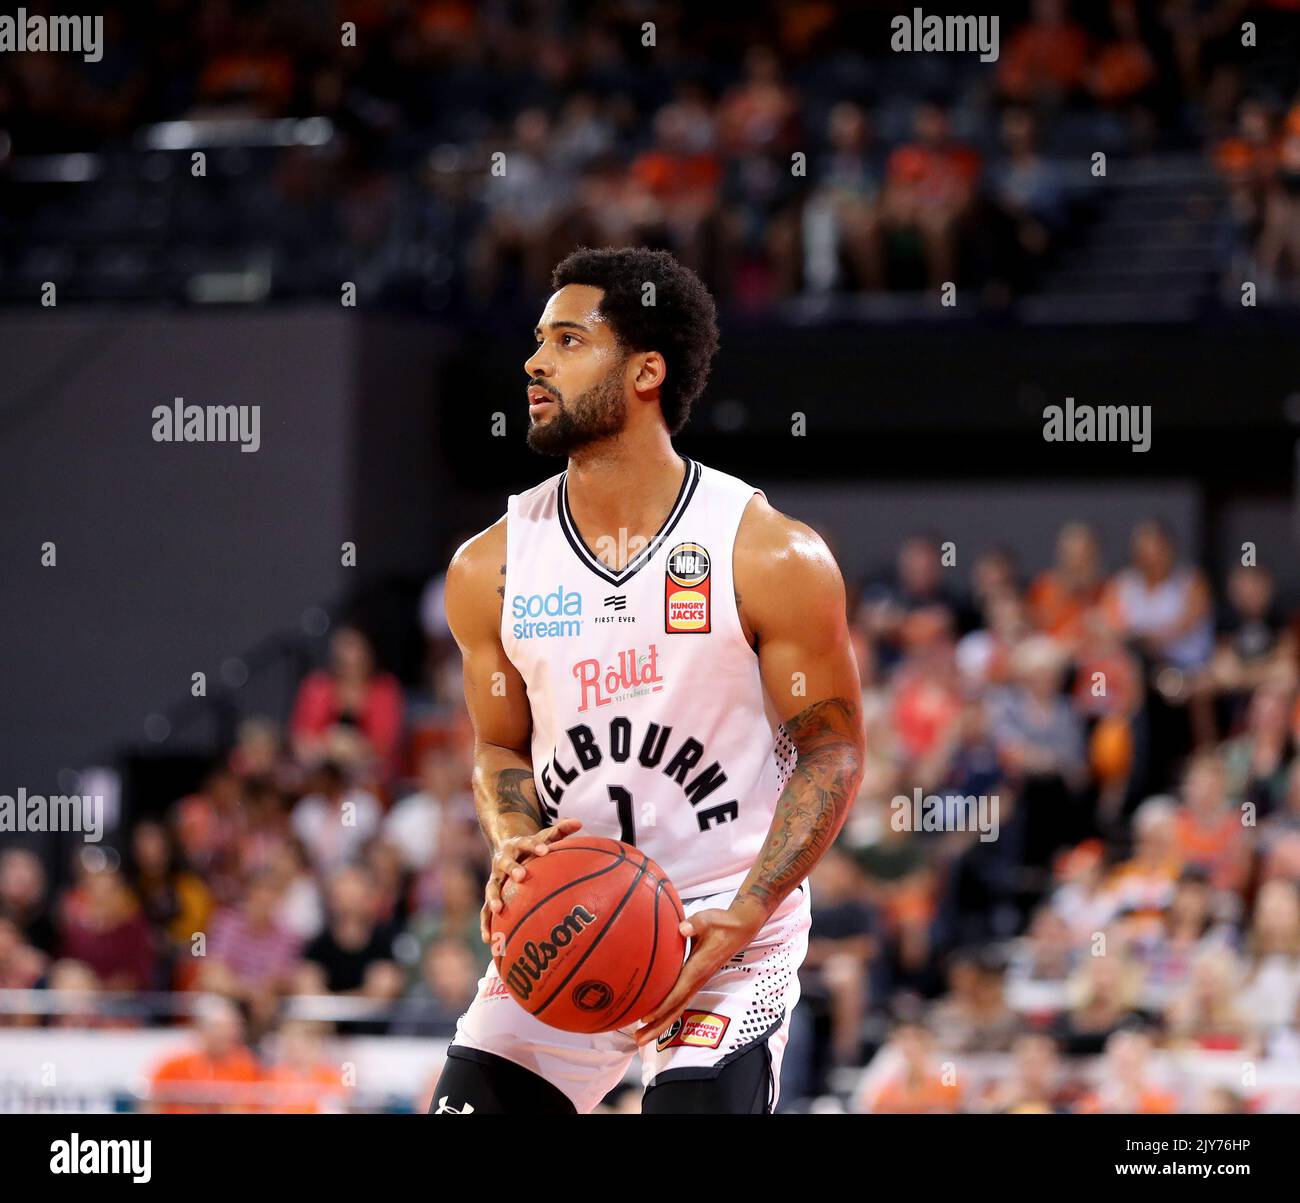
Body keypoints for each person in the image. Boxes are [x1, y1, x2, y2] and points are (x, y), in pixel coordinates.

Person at [430, 246, 865, 1115]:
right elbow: (498, 745)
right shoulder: (490, 568)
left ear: (645, 371)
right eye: (536, 341)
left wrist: (749, 909)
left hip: (725, 925)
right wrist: (512, 833)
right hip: (571, 915)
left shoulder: (769, 552)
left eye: (567, 340)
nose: (534, 362)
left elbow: (833, 751)